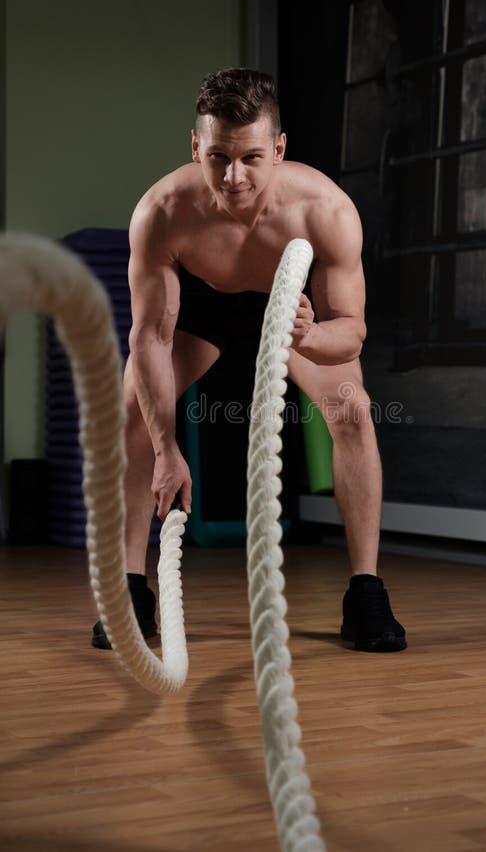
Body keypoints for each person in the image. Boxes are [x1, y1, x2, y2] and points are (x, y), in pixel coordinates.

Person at [91, 68, 406, 653]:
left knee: (353, 412)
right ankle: (132, 587)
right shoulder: (162, 211)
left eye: (252, 158)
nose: (234, 177)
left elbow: (353, 333)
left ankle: (365, 590)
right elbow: (151, 338)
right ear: (195, 147)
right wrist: (167, 452)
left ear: (279, 150)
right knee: (131, 412)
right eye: (218, 157)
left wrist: (309, 338)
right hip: (200, 308)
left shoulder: (326, 211)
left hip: (292, 310)